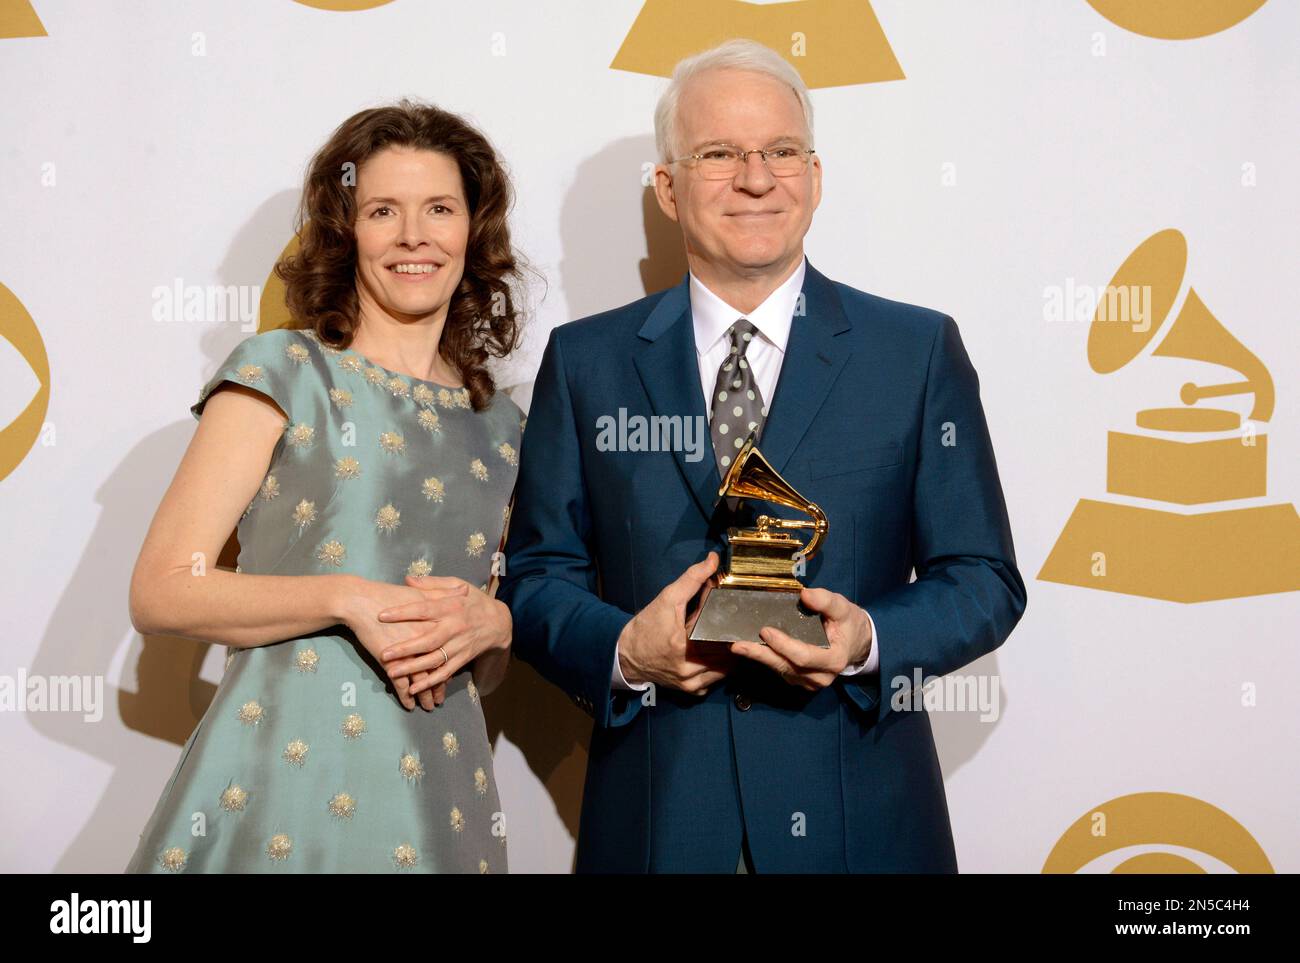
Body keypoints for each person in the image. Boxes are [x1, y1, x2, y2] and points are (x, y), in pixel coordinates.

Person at [498, 40, 1027, 872]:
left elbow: (984, 578)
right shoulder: (586, 362)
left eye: (781, 151)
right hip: (659, 822)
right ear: (668, 187)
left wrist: (866, 640)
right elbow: (533, 579)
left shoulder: (915, 351)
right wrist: (626, 650)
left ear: (814, 175)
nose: (756, 178)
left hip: (865, 826)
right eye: (719, 154)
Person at [126, 100, 526, 873]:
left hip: (443, 795)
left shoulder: (502, 423)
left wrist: (494, 628)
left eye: (439, 208)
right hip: (279, 787)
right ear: (348, 232)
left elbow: (478, 655)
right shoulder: (281, 370)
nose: (415, 235)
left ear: (472, 230)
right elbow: (162, 589)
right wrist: (346, 595)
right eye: (384, 210)